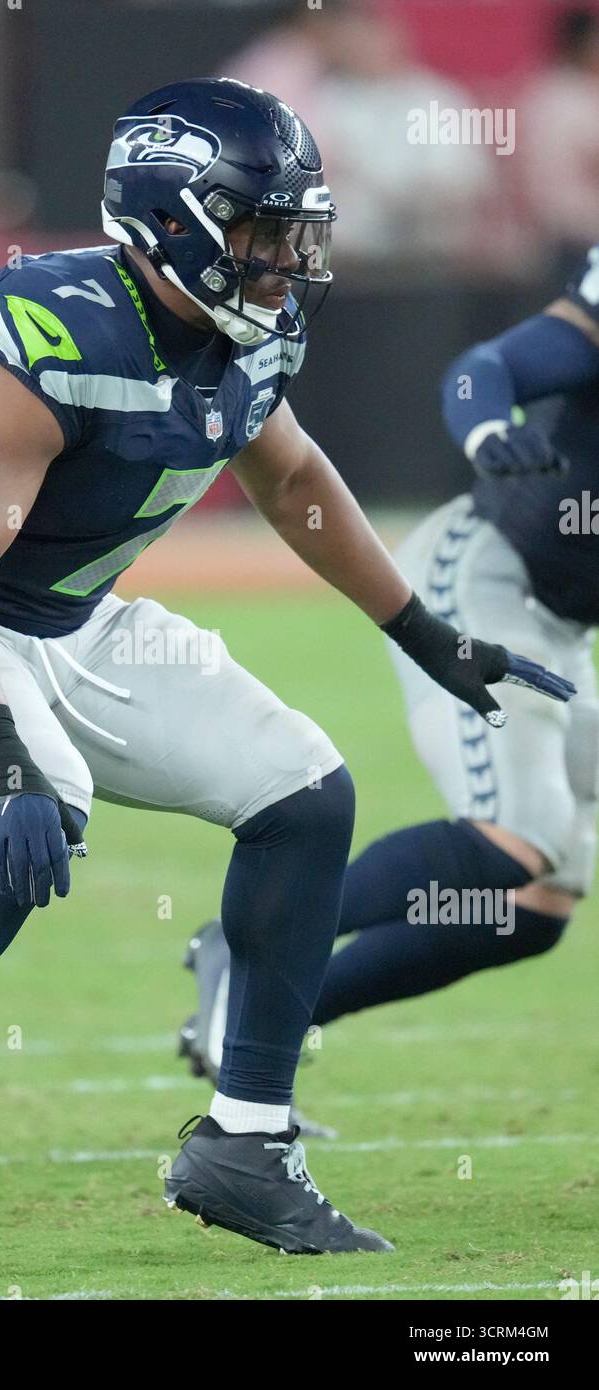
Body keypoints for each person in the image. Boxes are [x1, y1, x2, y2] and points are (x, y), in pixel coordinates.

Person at [0, 78, 572, 1268]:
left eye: (291, 231)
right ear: (173, 222)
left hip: (73, 615)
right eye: (258, 231)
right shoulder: (54, 328)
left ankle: (244, 1142)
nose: (282, 259)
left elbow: (292, 481)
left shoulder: (251, 330)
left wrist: (423, 632)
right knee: (35, 806)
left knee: (305, 791)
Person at [178, 246, 599, 1128]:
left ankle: (267, 1025)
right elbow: (492, 368)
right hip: (485, 579)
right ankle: (243, 942)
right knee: (518, 840)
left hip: (562, 628)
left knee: (537, 905)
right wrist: (488, 431)